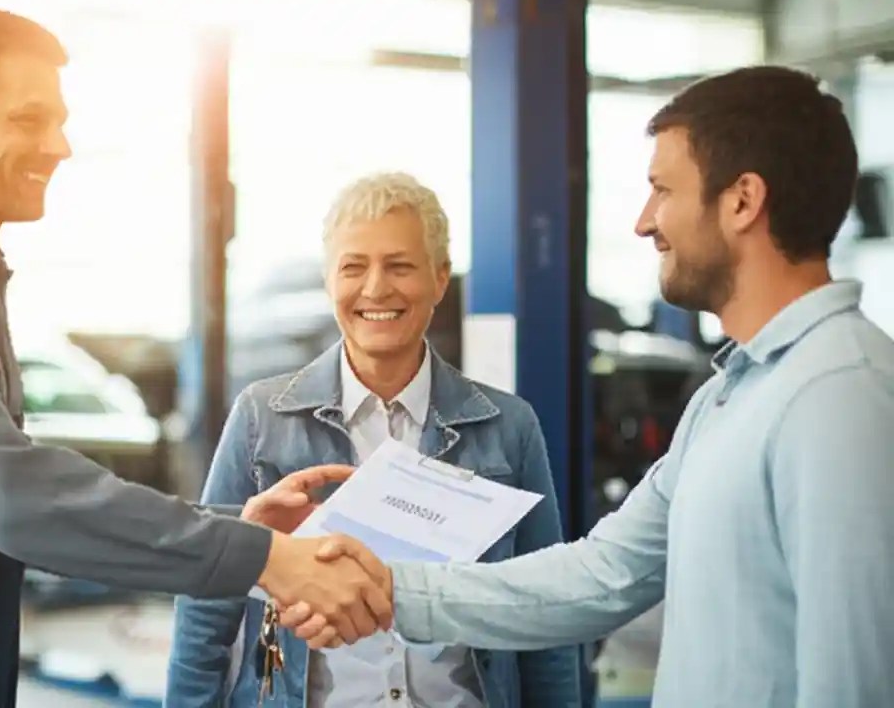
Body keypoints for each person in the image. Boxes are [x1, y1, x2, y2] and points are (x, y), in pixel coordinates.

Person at [0, 7, 390, 708]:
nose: (58, 146)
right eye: (28, 119)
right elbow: (14, 494)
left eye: (58, 120)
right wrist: (264, 559)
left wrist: (231, 530)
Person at [280, 66, 894, 708]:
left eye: (663, 190)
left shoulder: (840, 396)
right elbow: (599, 576)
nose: (644, 222)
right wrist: (386, 587)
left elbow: (857, 684)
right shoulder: (728, 398)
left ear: (742, 200)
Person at [167, 173, 581, 707]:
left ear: (439, 278)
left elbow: (544, 611)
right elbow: (206, 606)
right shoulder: (260, 420)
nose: (376, 288)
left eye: (400, 265)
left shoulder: (509, 427)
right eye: (353, 266)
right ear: (328, 280)